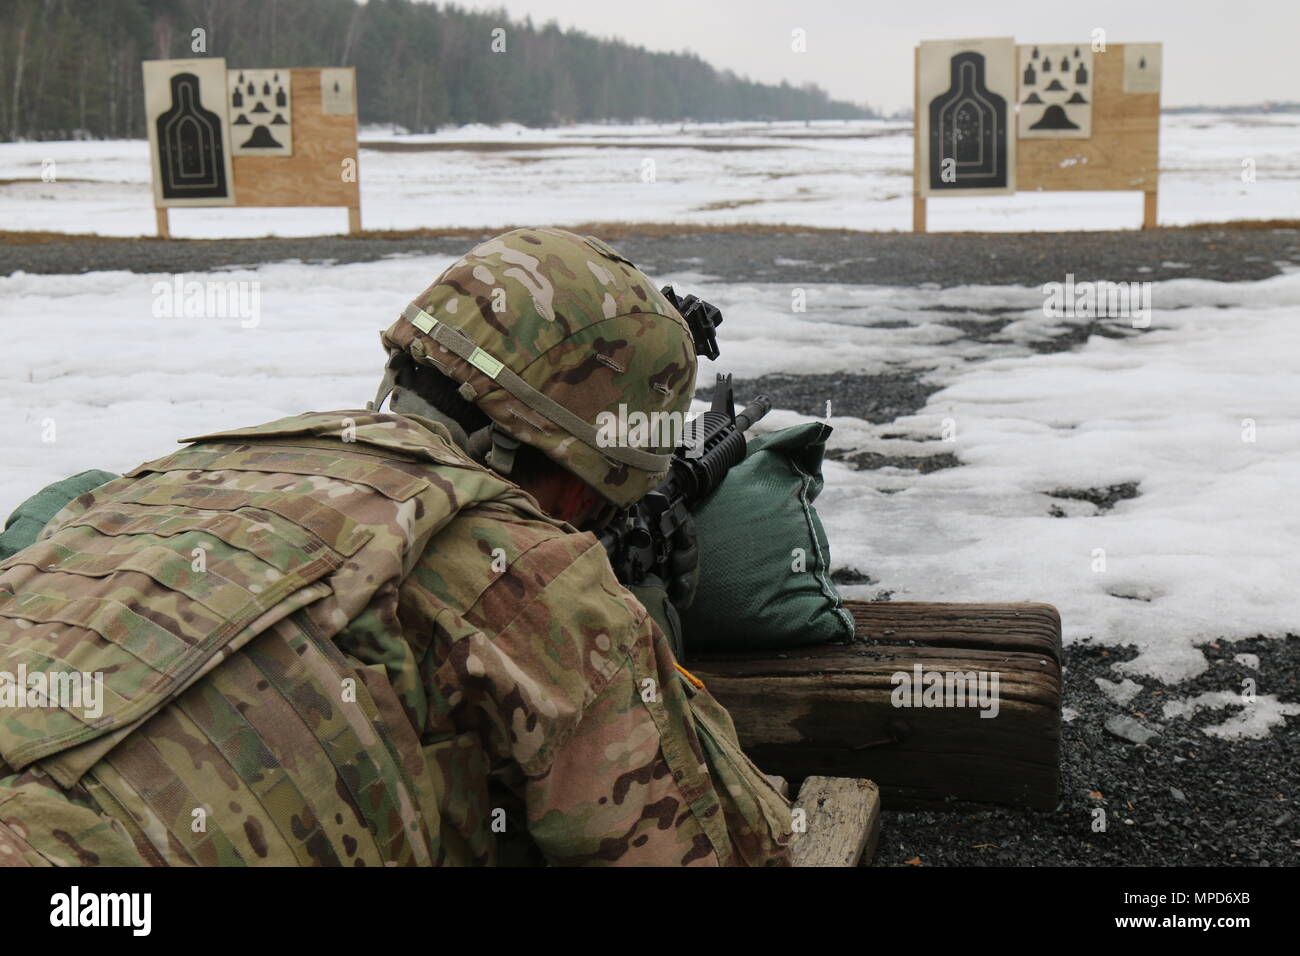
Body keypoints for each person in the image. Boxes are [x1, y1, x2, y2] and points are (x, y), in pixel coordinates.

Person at [0, 227, 793, 867]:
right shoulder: (524, 577)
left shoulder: (175, 473)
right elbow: (735, 846)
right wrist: (634, 627)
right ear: (584, 490)